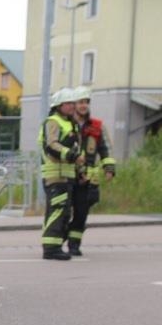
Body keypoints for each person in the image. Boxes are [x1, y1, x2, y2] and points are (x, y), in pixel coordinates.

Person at [68, 85, 116, 256]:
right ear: (74, 104)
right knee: (64, 212)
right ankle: (59, 239)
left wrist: (109, 168)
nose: (84, 105)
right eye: (80, 102)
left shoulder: (96, 126)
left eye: (86, 102)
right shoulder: (66, 123)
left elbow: (105, 149)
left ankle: (74, 245)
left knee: (81, 213)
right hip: (67, 175)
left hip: (87, 178)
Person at [38, 87, 83, 261]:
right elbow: (52, 145)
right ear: (59, 105)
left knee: (64, 212)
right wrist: (71, 155)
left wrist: (80, 168)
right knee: (57, 211)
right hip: (55, 176)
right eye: (68, 103)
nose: (72, 106)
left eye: (73, 103)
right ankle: (51, 248)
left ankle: (55, 245)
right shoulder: (53, 122)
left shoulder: (71, 124)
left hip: (67, 175)